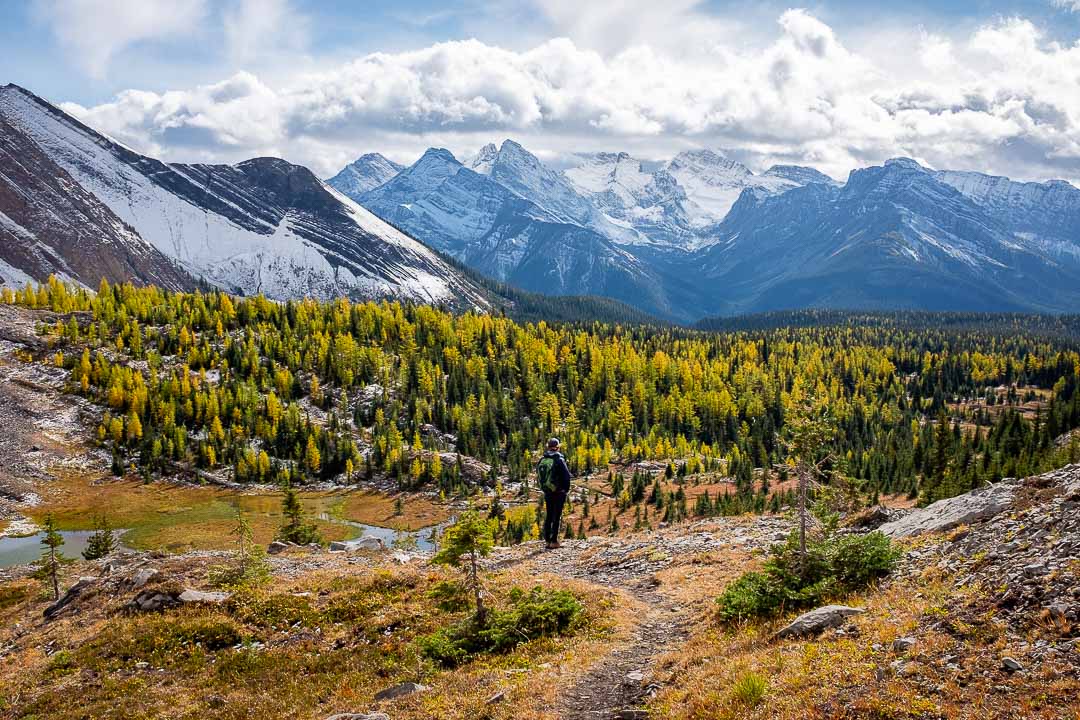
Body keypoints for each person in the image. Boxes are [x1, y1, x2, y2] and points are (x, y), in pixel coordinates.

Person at [537, 437, 572, 549]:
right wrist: (565, 489)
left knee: (549, 515)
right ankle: (554, 541)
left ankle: (547, 540)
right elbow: (566, 477)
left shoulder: (543, 459)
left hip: (548, 491)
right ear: (557, 447)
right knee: (557, 516)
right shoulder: (559, 459)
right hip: (559, 492)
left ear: (548, 447)